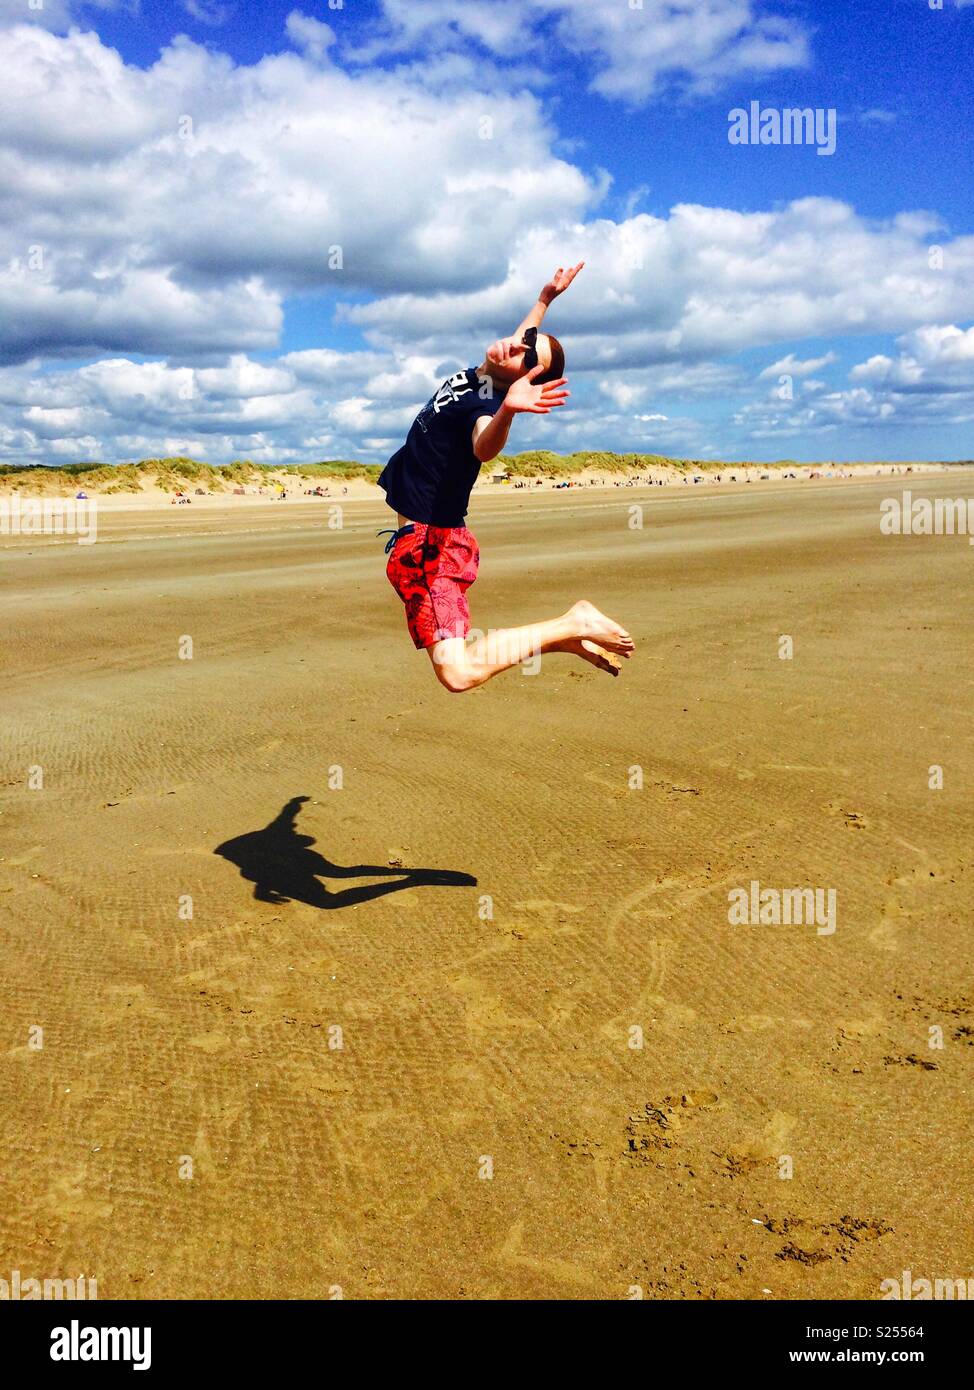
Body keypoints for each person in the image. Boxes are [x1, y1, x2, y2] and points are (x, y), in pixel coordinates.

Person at [377, 263, 634, 693]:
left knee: (459, 673)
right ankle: (564, 636)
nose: (519, 346)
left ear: (523, 378)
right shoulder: (483, 373)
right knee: (458, 667)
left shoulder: (488, 404)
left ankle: (574, 622)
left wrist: (509, 411)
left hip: (431, 547)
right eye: (525, 341)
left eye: (529, 358)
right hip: (423, 546)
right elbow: (522, 341)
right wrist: (544, 300)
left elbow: (484, 447)